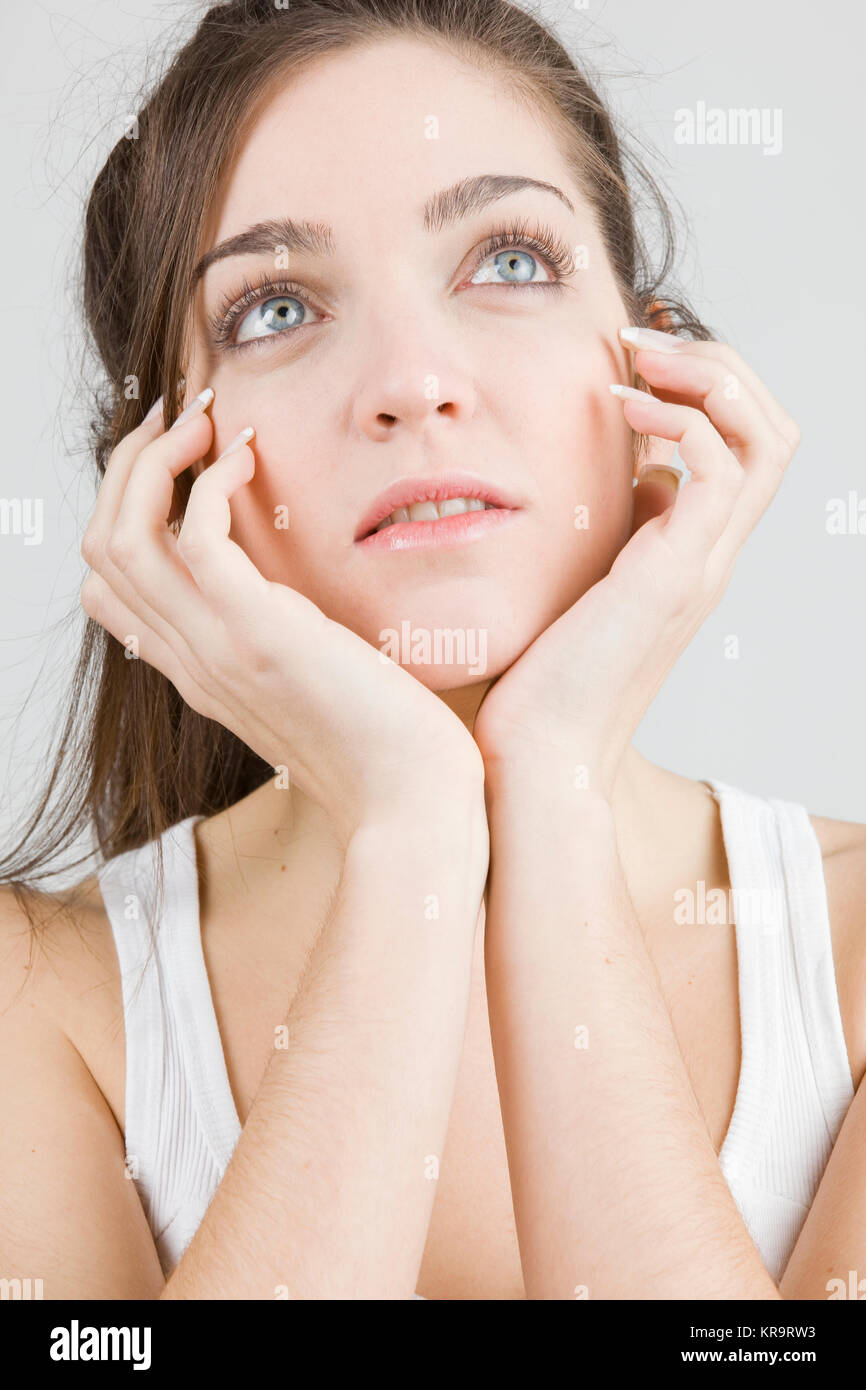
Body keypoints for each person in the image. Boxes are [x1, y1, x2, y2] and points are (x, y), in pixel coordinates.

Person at [1, 0, 864, 1301]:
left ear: (657, 373)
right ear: (164, 471)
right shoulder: (39, 1003)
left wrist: (550, 785)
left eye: (508, 260)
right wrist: (408, 825)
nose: (413, 376)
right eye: (275, 305)